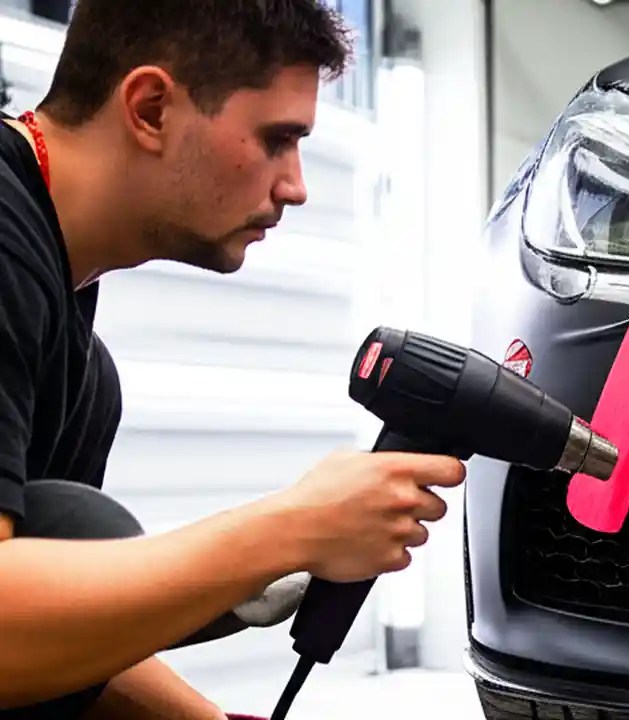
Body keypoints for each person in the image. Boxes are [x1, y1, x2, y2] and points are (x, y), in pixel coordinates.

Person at [0, 1, 465, 718]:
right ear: (150, 108)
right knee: (85, 533)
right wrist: (290, 529)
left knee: (72, 540)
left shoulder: (78, 365)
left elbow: (61, 648)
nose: (297, 186)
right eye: (277, 139)